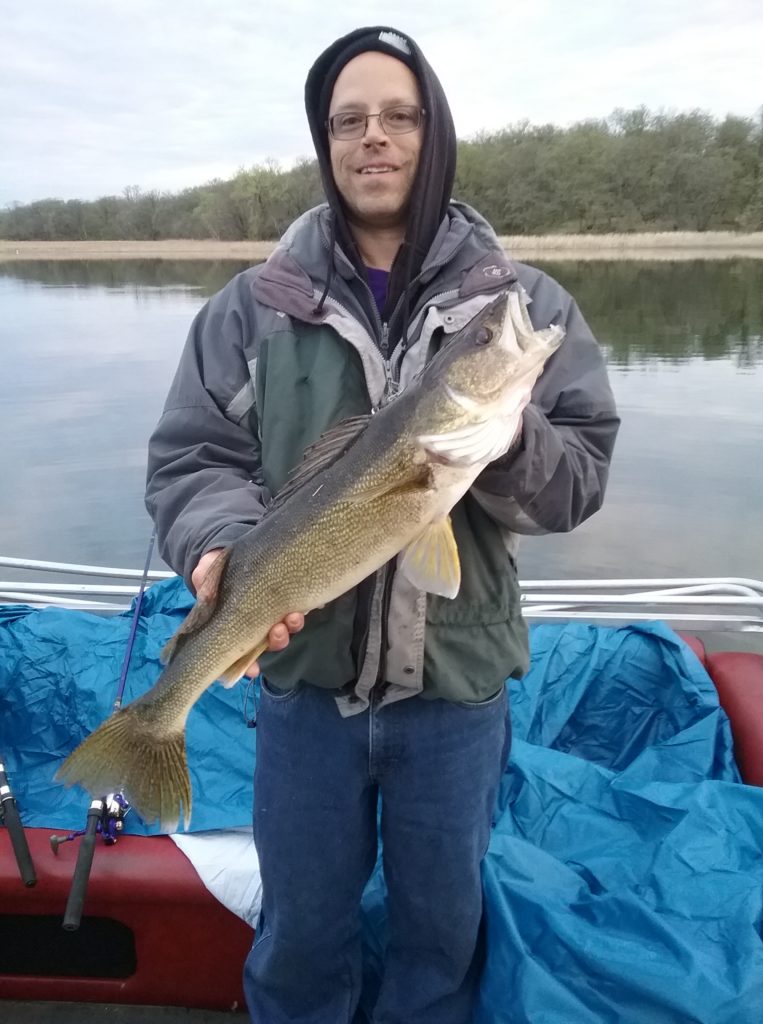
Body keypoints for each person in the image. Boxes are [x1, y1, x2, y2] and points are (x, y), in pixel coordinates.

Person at [145, 25, 620, 1024]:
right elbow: (194, 458)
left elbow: (577, 485)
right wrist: (223, 543)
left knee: (439, 941)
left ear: (433, 133)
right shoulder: (249, 309)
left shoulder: (527, 304)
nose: (374, 137)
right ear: (326, 143)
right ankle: (154, 728)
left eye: (399, 116)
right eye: (348, 120)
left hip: (455, 696)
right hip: (304, 693)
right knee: (301, 939)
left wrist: (500, 438)